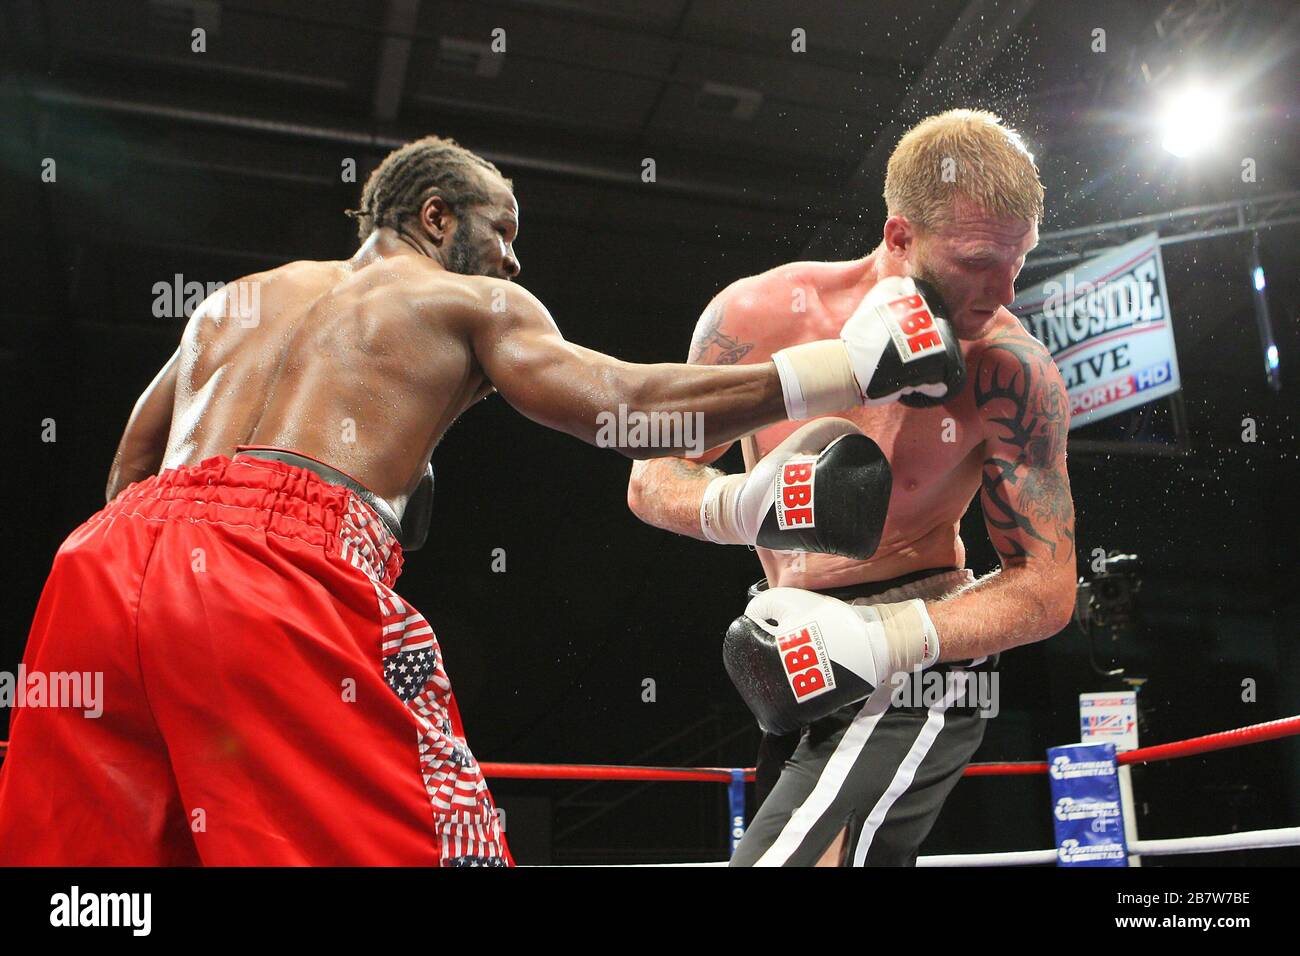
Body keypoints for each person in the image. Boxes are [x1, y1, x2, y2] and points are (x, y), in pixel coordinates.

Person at [0, 135, 962, 866]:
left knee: (99, 875)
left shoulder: (237, 299)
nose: (512, 261)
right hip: (277, 561)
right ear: (434, 218)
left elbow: (130, 471)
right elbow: (622, 410)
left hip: (105, 568)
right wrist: (846, 366)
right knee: (442, 840)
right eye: (503, 233)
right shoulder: (469, 304)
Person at [627, 109, 1078, 867]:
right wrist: (738, 505)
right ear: (900, 236)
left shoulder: (1011, 369)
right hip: (787, 645)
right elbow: (649, 473)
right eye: (976, 261)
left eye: (1019, 259)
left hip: (922, 650)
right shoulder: (760, 314)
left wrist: (884, 639)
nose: (1001, 291)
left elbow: (1048, 587)